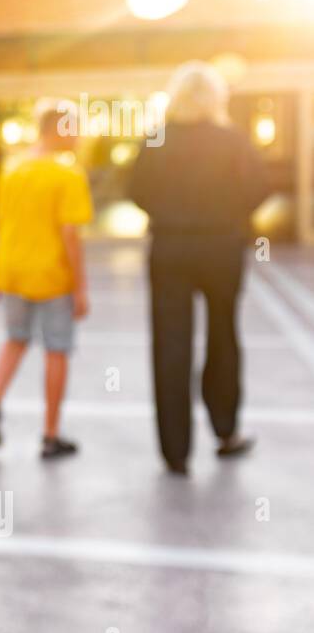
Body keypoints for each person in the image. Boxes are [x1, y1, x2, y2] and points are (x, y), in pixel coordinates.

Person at [129, 61, 269, 475]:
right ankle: (226, 432)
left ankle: (176, 451)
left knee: (170, 344)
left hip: (170, 247)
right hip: (221, 248)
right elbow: (259, 189)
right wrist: (226, 214)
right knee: (223, 334)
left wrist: (171, 212)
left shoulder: (157, 139)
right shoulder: (232, 140)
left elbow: (136, 190)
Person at [0, 100, 93, 458]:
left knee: (15, 340)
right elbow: (70, 235)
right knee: (56, 350)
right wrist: (80, 288)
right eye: (72, 128)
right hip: (51, 276)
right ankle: (50, 434)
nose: (77, 136)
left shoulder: (12, 169)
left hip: (12, 271)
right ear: (57, 130)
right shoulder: (68, 175)